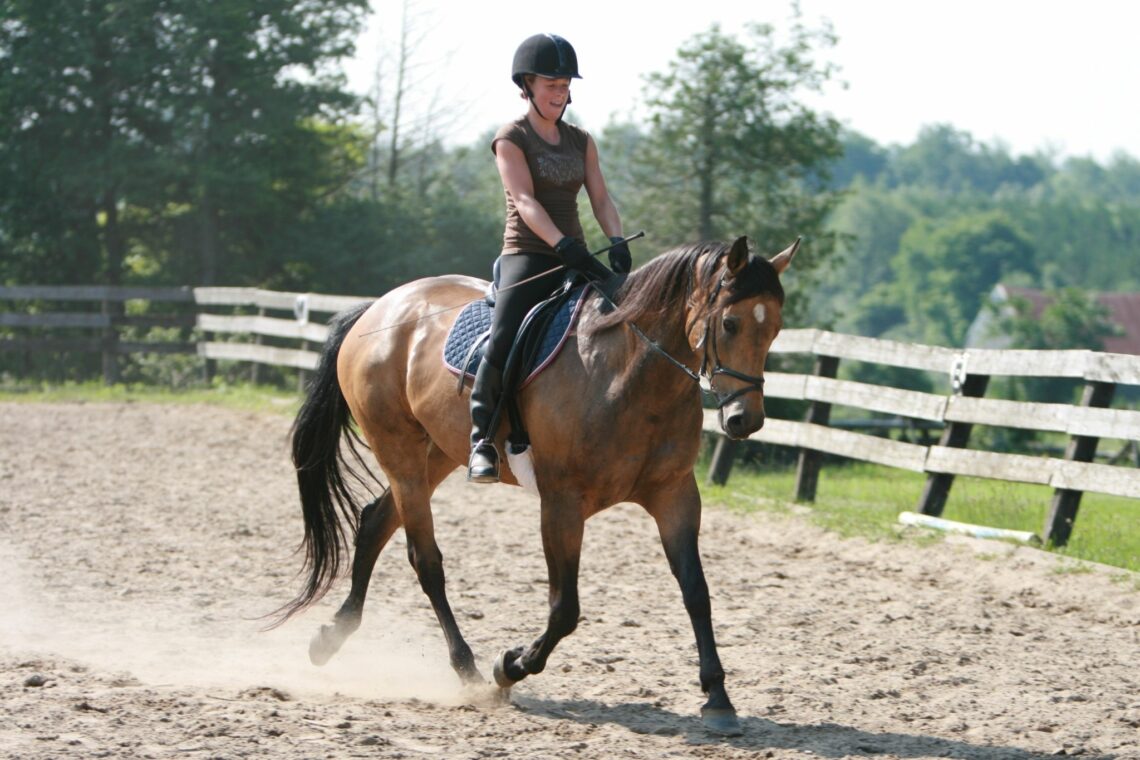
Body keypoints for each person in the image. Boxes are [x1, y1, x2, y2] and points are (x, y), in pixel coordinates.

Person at [468, 32, 632, 483]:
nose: (560, 93)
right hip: (529, 253)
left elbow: (600, 197)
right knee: (503, 336)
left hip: (576, 254)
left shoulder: (581, 140)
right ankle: (482, 439)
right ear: (527, 85)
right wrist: (562, 245)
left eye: (564, 85)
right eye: (551, 85)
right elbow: (524, 201)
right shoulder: (511, 138)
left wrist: (615, 239)